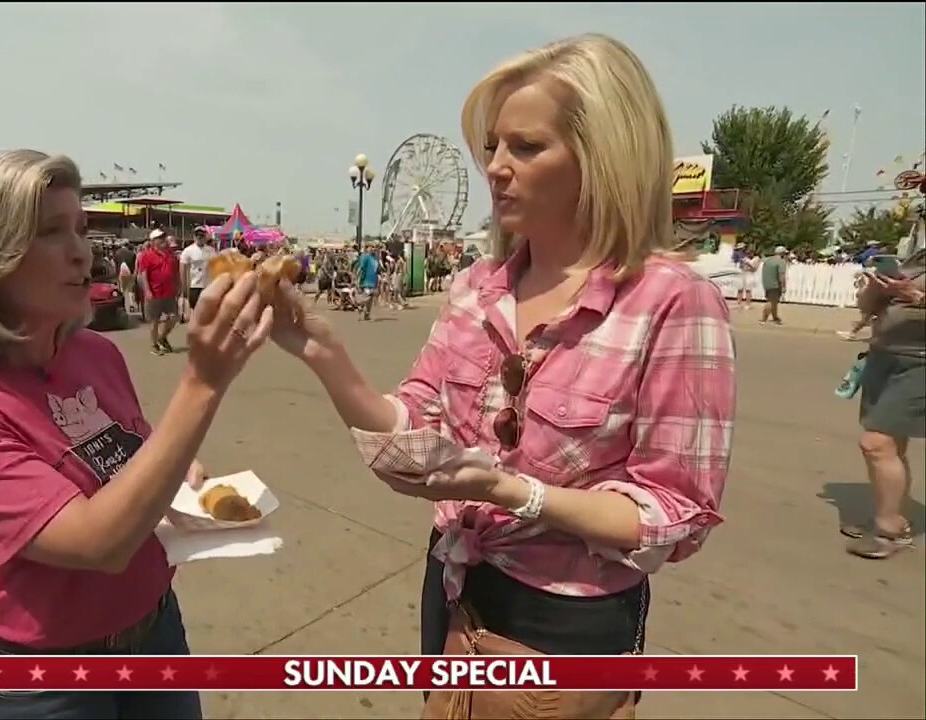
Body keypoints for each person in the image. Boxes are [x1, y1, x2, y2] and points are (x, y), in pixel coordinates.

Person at [267, 33, 734, 716]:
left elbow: (675, 515)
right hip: (453, 586)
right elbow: (414, 432)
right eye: (491, 147)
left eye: (526, 147)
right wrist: (321, 354)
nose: (495, 168)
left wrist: (517, 493)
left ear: (601, 155)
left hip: (562, 625)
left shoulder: (670, 300)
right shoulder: (475, 287)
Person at [0, 149, 273, 720]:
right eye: (51, 232)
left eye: (80, 229)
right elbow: (97, 544)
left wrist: (186, 479)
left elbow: (136, 452)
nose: (81, 252)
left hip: (154, 631)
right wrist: (203, 383)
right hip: (42, 674)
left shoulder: (93, 353)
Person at [843, 248, 926, 558]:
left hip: (919, 364)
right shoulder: (915, 259)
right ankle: (891, 512)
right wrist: (876, 290)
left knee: (875, 443)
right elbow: (868, 308)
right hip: (884, 358)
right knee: (892, 446)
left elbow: (916, 298)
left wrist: (915, 295)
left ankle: (889, 528)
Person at [136, 228, 181, 355]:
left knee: (174, 317)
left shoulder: (170, 254)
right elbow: (143, 275)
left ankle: (162, 338)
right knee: (154, 320)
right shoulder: (146, 255)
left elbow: (175, 272)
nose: (163, 240)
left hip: (169, 292)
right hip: (154, 293)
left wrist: (178, 286)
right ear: (153, 241)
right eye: (159, 238)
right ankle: (154, 345)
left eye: (163, 237)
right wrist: (147, 290)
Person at [179, 228, 215, 321]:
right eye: (197, 235)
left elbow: (216, 265)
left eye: (202, 235)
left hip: (208, 285)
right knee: (196, 310)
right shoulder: (188, 250)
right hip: (194, 285)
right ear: (194, 237)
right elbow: (183, 268)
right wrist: (183, 286)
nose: (199, 237)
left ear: (205, 237)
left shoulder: (211, 250)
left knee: (207, 310)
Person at [759, 245, 788, 324]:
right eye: (785, 254)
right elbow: (781, 275)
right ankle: (764, 319)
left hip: (766, 283)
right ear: (781, 253)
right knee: (771, 302)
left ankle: (775, 317)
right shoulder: (781, 262)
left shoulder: (768, 260)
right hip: (775, 284)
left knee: (774, 301)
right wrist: (783, 286)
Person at [354, 243, 379, 321]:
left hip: (373, 280)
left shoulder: (374, 258)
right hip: (365, 281)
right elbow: (361, 269)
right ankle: (360, 310)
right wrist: (357, 280)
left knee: (370, 299)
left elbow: (376, 270)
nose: (373, 248)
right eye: (371, 247)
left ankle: (367, 315)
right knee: (366, 297)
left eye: (374, 247)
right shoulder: (364, 257)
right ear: (367, 248)